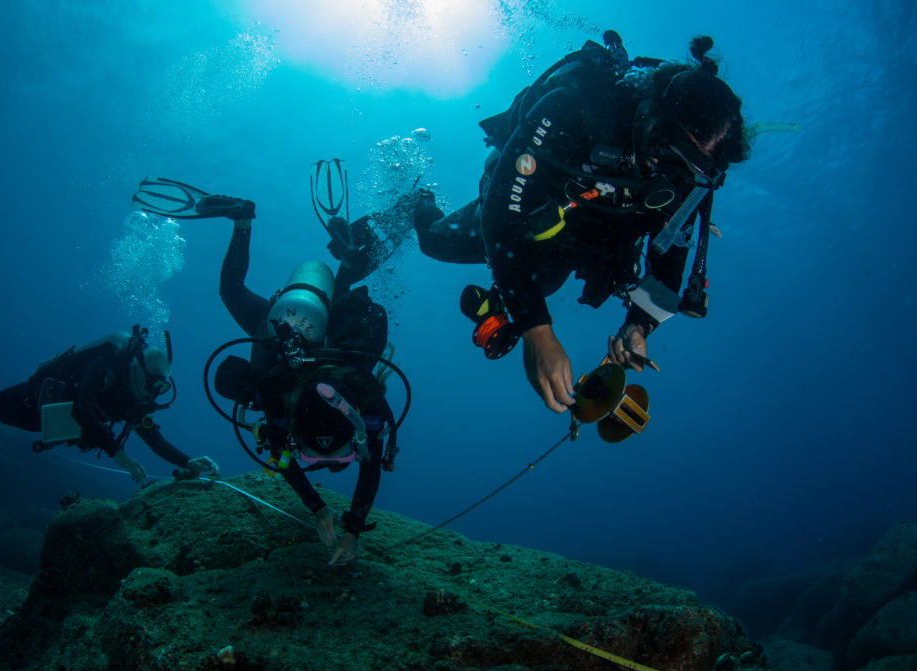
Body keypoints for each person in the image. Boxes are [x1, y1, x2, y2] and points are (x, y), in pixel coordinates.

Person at [412, 33, 751, 413]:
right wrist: (535, 329)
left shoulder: (685, 179)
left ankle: (510, 296)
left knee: (545, 280)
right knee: (433, 243)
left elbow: (670, 258)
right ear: (653, 117)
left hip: (582, 244)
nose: (672, 180)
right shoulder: (576, 107)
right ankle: (416, 196)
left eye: (693, 173)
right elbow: (500, 216)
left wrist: (638, 325)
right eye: (671, 159)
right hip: (523, 209)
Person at [132, 175, 405, 566]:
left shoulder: (289, 399)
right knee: (312, 306)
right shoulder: (359, 396)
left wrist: (324, 512)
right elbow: (369, 465)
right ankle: (291, 241)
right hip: (303, 338)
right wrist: (344, 525)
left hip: (283, 337)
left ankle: (330, 255)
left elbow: (292, 459)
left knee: (340, 304)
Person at [0, 327, 218, 484]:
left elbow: (153, 436)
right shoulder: (104, 368)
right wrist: (119, 455)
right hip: (37, 399)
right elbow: (82, 407)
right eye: (155, 384)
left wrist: (186, 461)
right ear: (138, 369)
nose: (155, 394)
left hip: (51, 420)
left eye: (162, 388)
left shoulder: (136, 397)